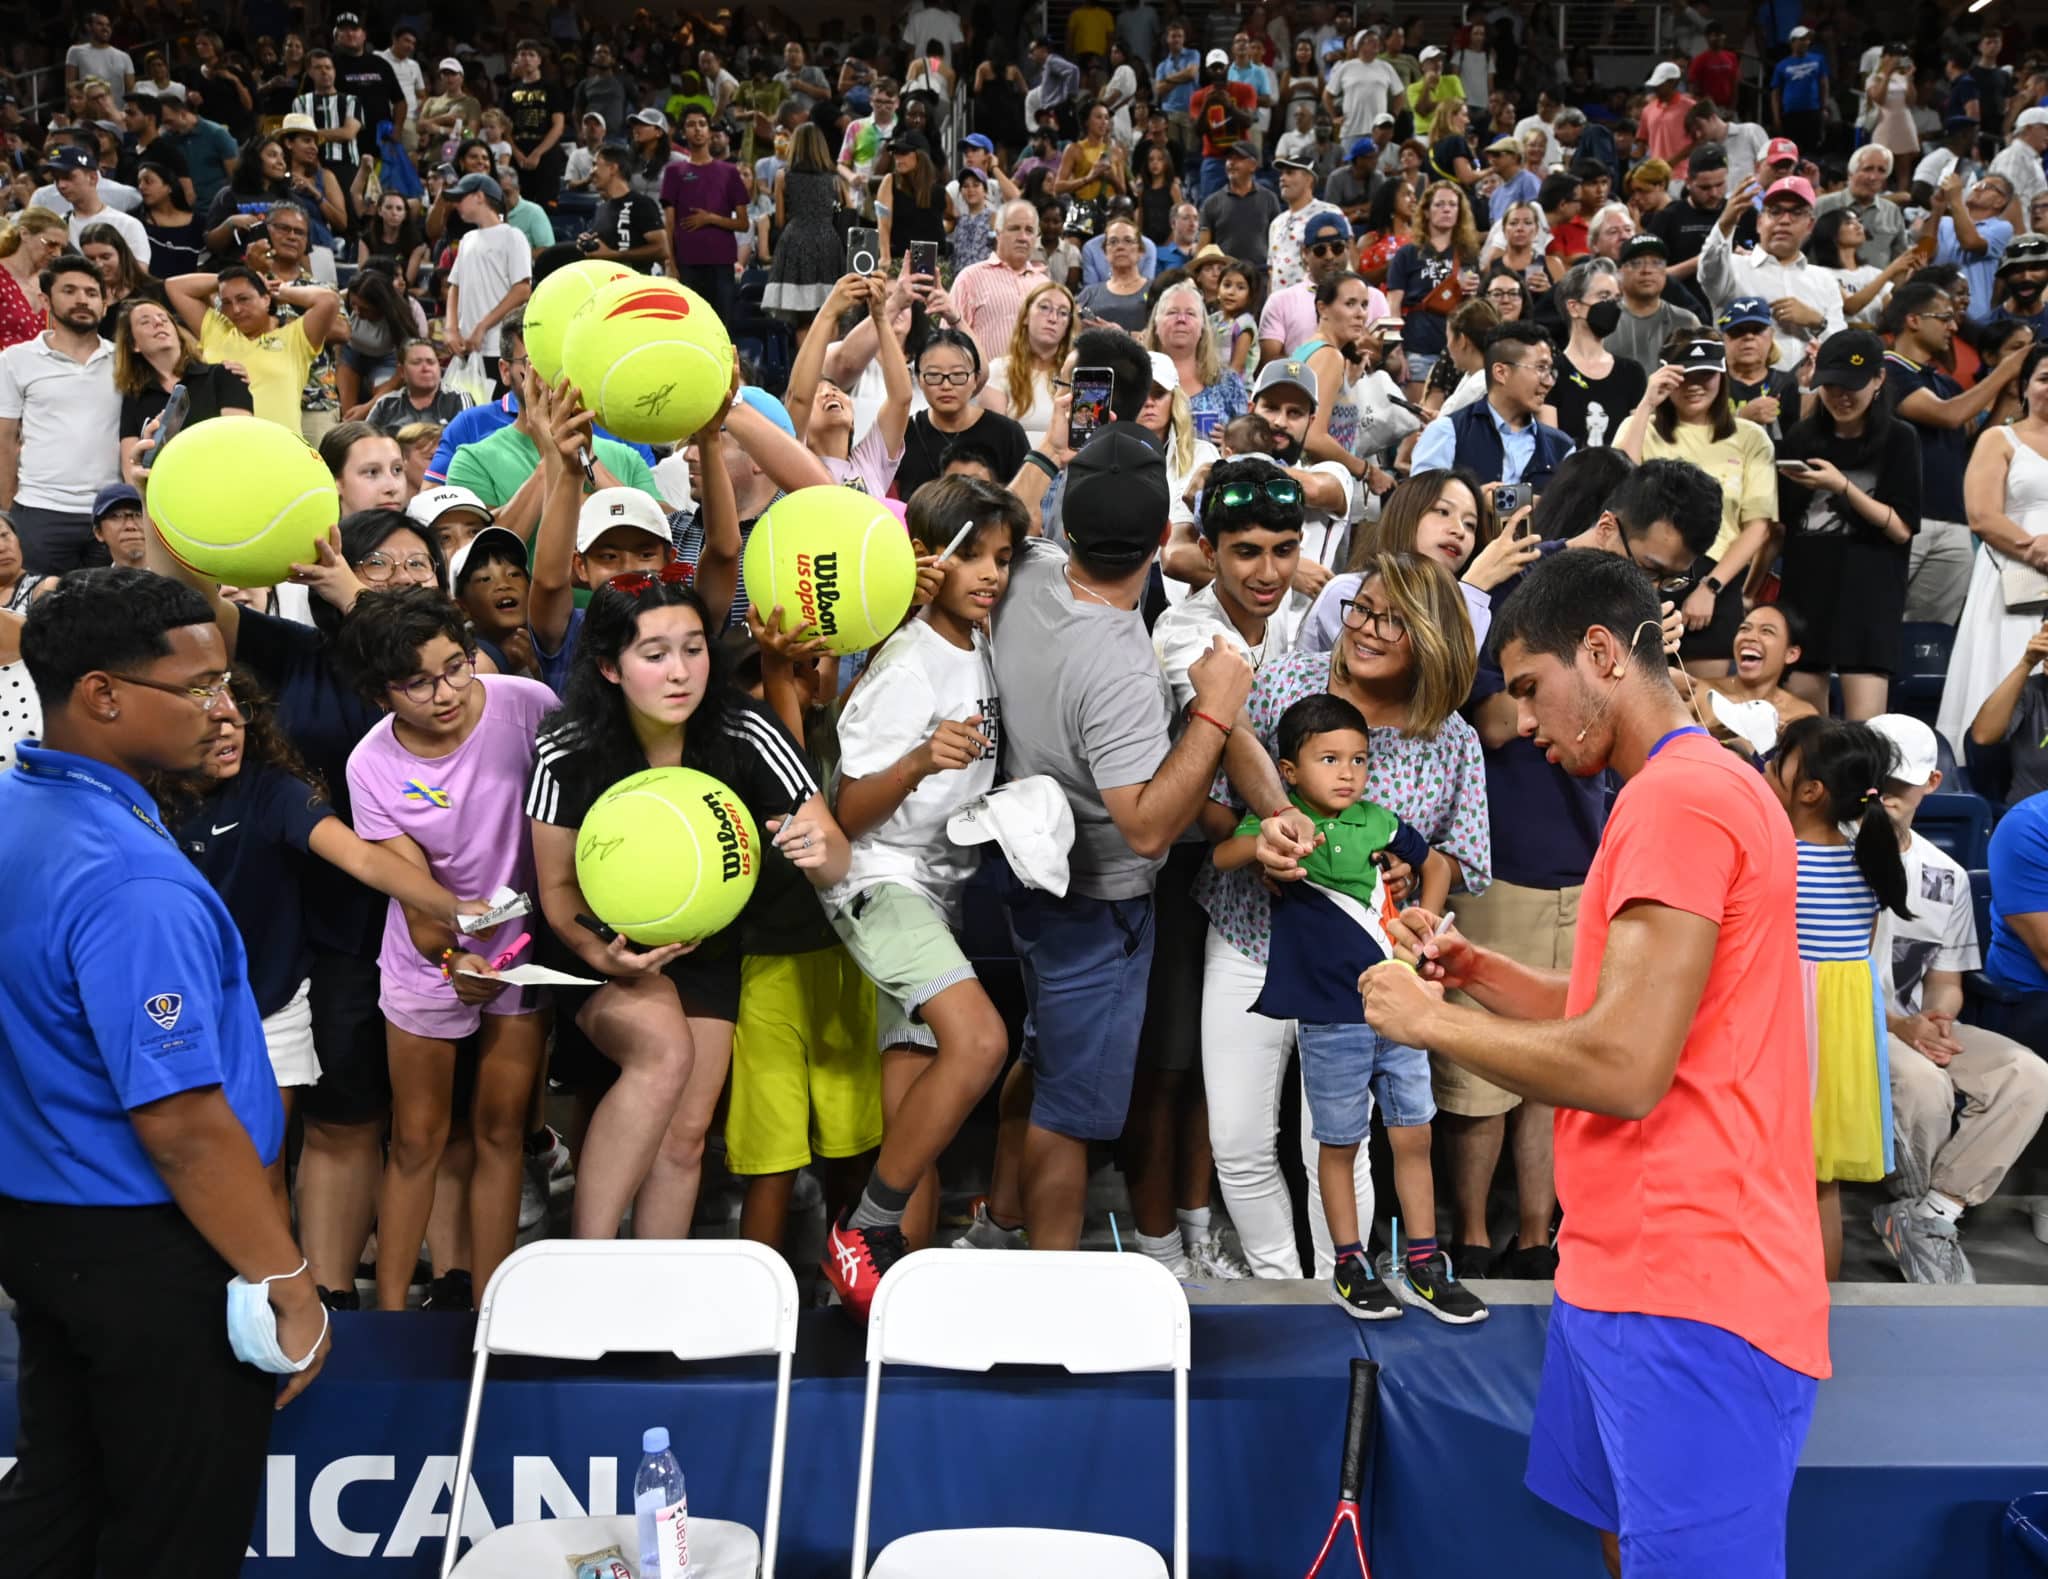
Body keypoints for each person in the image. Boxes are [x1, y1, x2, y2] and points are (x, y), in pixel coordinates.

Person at [1354, 547, 1827, 1579]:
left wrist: (1426, 1025)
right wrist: (1478, 974)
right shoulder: (1687, 787)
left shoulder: (1676, 800)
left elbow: (1621, 1066)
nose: (1520, 721)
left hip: (1690, 1283)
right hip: (1627, 1267)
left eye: (1529, 688)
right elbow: (1629, 1017)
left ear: (1602, 653)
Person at [0, 569, 328, 1574]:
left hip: (42, 1226)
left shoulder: (18, 803)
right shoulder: (132, 879)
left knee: (62, 1495)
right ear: (101, 695)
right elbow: (183, 1123)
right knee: (173, 1534)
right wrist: (287, 1279)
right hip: (152, 1252)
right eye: (196, 687)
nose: (223, 709)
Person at [986, 419, 1254, 1252]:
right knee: (1069, 1111)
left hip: (1026, 881)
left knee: (1042, 1057)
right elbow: (1145, 827)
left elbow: (1013, 517)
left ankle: (995, 1224)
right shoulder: (1122, 665)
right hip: (1097, 905)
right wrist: (1215, 705)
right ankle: (1052, 1286)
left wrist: (1044, 460)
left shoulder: (1022, 576)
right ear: (1165, 540)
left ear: (1065, 529)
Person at [527, 573, 847, 1242]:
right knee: (665, 1053)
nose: (681, 672)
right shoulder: (567, 746)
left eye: (695, 648)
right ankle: (585, 1261)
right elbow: (556, 891)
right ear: (611, 666)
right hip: (596, 945)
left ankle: (651, 1286)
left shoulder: (744, 727)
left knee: (688, 1133)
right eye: (655, 654)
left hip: (708, 943)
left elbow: (837, 852)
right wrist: (602, 951)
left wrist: (817, 851)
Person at [1201, 548, 1487, 1278]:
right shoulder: (1284, 681)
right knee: (1238, 1137)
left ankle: (1343, 1285)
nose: (1362, 627)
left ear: (1429, 635)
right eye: (1361, 606)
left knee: (1338, 1138)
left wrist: (1417, 894)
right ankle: (1276, 1280)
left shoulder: (1449, 736)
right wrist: (1262, 837)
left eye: (1390, 619)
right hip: (1251, 939)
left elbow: (1459, 856)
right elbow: (1216, 807)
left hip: (1365, 971)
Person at [819, 478, 1022, 1306]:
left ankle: (886, 1288)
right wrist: (916, 763)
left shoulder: (974, 640)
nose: (990, 574)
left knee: (917, 1113)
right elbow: (845, 810)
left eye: (1002, 558)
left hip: (937, 887)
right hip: (881, 883)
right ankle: (860, 1229)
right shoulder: (906, 665)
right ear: (926, 562)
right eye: (971, 553)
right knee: (978, 1043)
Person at [331, 588, 554, 1308]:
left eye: (456, 667)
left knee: (498, 1131)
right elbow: (410, 888)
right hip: (428, 955)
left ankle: (492, 1309)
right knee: (418, 1139)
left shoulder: (527, 704)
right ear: (378, 692)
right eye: (419, 682)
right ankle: (392, 1310)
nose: (447, 692)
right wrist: (450, 957)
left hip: (523, 952)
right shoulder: (371, 766)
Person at [1866, 711, 2048, 1282]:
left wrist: (1938, 1021)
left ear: (1931, 783)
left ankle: (1931, 1214)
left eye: (1901, 784)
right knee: (1924, 1083)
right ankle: (1917, 1215)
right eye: (1877, 781)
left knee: (2026, 1073)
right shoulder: (1819, 854)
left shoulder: (1944, 874)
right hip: (1846, 1025)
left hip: (1912, 1024)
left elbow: (1946, 979)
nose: (1886, 795)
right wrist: (1903, 1031)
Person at [1767, 715, 1913, 1279]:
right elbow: (1860, 950)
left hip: (1790, 1016)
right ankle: (1818, 1301)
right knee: (1819, 1185)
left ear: (1810, 791)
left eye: (1782, 755)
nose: (1771, 760)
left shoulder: (1782, 855)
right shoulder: (1868, 856)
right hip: (1844, 1023)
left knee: (1772, 1172)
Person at [1773, 331, 1922, 721]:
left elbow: (1902, 528)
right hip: (1807, 590)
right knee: (1804, 730)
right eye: (1831, 386)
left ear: (1878, 380)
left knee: (1865, 731)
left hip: (1869, 592)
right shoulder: (1801, 438)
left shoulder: (1900, 439)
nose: (1840, 396)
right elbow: (1783, 526)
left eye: (1851, 386)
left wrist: (1842, 487)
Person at [1616, 333, 1775, 675]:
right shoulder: (1637, 425)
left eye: (1705, 375)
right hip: (1643, 577)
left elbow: (1758, 526)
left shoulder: (1750, 437)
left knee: (1704, 706)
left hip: (1716, 578)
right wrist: (1646, 404)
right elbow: (1619, 488)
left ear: (1722, 375)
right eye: (1683, 376)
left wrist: (1711, 587)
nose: (1694, 386)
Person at [1937, 344, 2048, 751]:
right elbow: (1982, 516)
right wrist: (2037, 550)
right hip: (2012, 574)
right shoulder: (1998, 438)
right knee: (2006, 662)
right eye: (2044, 378)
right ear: (2024, 387)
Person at [0, 255, 120, 573]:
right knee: (40, 617)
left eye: (92, 293)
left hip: (112, 511)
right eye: (69, 290)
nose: (82, 299)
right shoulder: (15, 359)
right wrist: (7, 510)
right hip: (39, 510)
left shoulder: (125, 360)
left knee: (111, 617)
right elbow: (4, 440)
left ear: (105, 304)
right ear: (45, 299)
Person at [165, 265, 340, 434]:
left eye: (243, 299)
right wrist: (230, 278)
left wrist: (280, 291)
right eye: (226, 302)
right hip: (225, 445)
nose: (236, 309)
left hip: (279, 447)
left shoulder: (295, 338)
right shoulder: (217, 331)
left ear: (266, 299)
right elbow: (174, 286)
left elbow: (328, 300)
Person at [1698, 174, 1844, 368]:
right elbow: (1708, 268)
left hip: (1809, 392)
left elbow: (1843, 345)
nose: (1784, 220)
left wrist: (1818, 323)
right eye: (1775, 211)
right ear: (1760, 222)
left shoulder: (1825, 279)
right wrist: (1725, 224)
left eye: (1796, 212)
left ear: (1810, 225)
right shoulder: (1733, 267)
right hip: (1746, 391)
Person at [1412, 319, 1575, 486]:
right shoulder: (1447, 432)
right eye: (1540, 368)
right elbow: (1419, 501)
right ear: (1501, 372)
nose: (1548, 382)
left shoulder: (1562, 447)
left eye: (1550, 370)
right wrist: (1476, 500)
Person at [893, 328, 1030, 501]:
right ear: (919, 379)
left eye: (958, 375)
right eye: (934, 375)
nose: (946, 385)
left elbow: (1026, 502)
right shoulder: (904, 433)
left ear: (975, 379)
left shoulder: (1007, 433)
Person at [1384, 180, 1479, 394]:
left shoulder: (1467, 255)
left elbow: (1474, 310)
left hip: (1459, 351)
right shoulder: (1407, 253)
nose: (1446, 209)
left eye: (1453, 205)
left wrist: (1471, 293)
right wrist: (1396, 350)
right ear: (1426, 211)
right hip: (1418, 346)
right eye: (1439, 204)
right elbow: (1393, 304)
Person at [1541, 258, 1644, 450]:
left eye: (1616, 298)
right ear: (1574, 307)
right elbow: (1551, 449)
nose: (1613, 306)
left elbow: (1638, 444)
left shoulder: (1631, 373)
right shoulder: (1550, 372)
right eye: (1604, 296)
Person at [442, 173, 533, 376]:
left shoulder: (513, 236)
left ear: (480, 196)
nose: (456, 204)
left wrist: (482, 326)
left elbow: (522, 289)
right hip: (466, 347)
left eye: (461, 198)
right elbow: (454, 287)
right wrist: (450, 328)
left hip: (497, 346)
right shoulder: (467, 238)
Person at [955, 202, 1052, 363]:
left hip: (1035, 384)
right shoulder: (970, 278)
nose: (1022, 237)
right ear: (998, 233)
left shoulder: (1045, 285)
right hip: (984, 385)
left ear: (1036, 238)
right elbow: (949, 341)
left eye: (1029, 231)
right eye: (1014, 229)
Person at [763, 124, 839, 319]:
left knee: (802, 318)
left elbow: (779, 221)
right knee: (830, 314)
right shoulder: (834, 179)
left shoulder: (783, 176)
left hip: (795, 241)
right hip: (828, 242)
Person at [983, 279, 1075, 440]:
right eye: (1044, 307)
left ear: (1068, 326)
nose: (1053, 318)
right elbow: (995, 440)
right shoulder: (998, 370)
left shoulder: (1078, 376)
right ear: (1025, 316)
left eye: (1063, 313)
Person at [43, 146, 151, 267]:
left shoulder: (127, 224)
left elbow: (139, 277)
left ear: (93, 178)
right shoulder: (57, 226)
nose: (61, 185)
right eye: (56, 179)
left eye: (68, 177)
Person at [1198, 142, 1284, 269]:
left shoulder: (1269, 199)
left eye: (1238, 158)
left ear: (1253, 165)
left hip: (1260, 274)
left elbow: (1278, 242)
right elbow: (1203, 248)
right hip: (1225, 275)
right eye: (1228, 159)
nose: (1231, 163)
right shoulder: (1211, 203)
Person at [365, 338, 471, 434]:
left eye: (431, 362)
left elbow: (469, 440)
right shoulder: (385, 404)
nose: (425, 368)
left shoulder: (458, 399)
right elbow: (366, 443)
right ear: (402, 371)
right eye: (416, 362)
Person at [0, 209, 67, 350]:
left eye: (61, 248)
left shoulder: (52, 282)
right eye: (51, 244)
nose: (57, 254)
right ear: (24, 234)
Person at [1771, 25, 1829, 153]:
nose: (1806, 42)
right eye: (1802, 39)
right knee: (1793, 148)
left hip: (1812, 110)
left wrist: (1824, 107)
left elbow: (1823, 84)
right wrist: (1776, 116)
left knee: (1814, 147)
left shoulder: (1818, 59)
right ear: (1792, 42)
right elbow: (1775, 93)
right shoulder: (1782, 65)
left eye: (1807, 39)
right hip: (1791, 113)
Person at [66, 11, 136, 109]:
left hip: (118, 116)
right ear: (89, 27)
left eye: (108, 25)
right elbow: (70, 88)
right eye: (100, 24)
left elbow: (131, 94)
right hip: (89, 117)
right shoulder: (75, 51)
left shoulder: (124, 57)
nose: (105, 28)